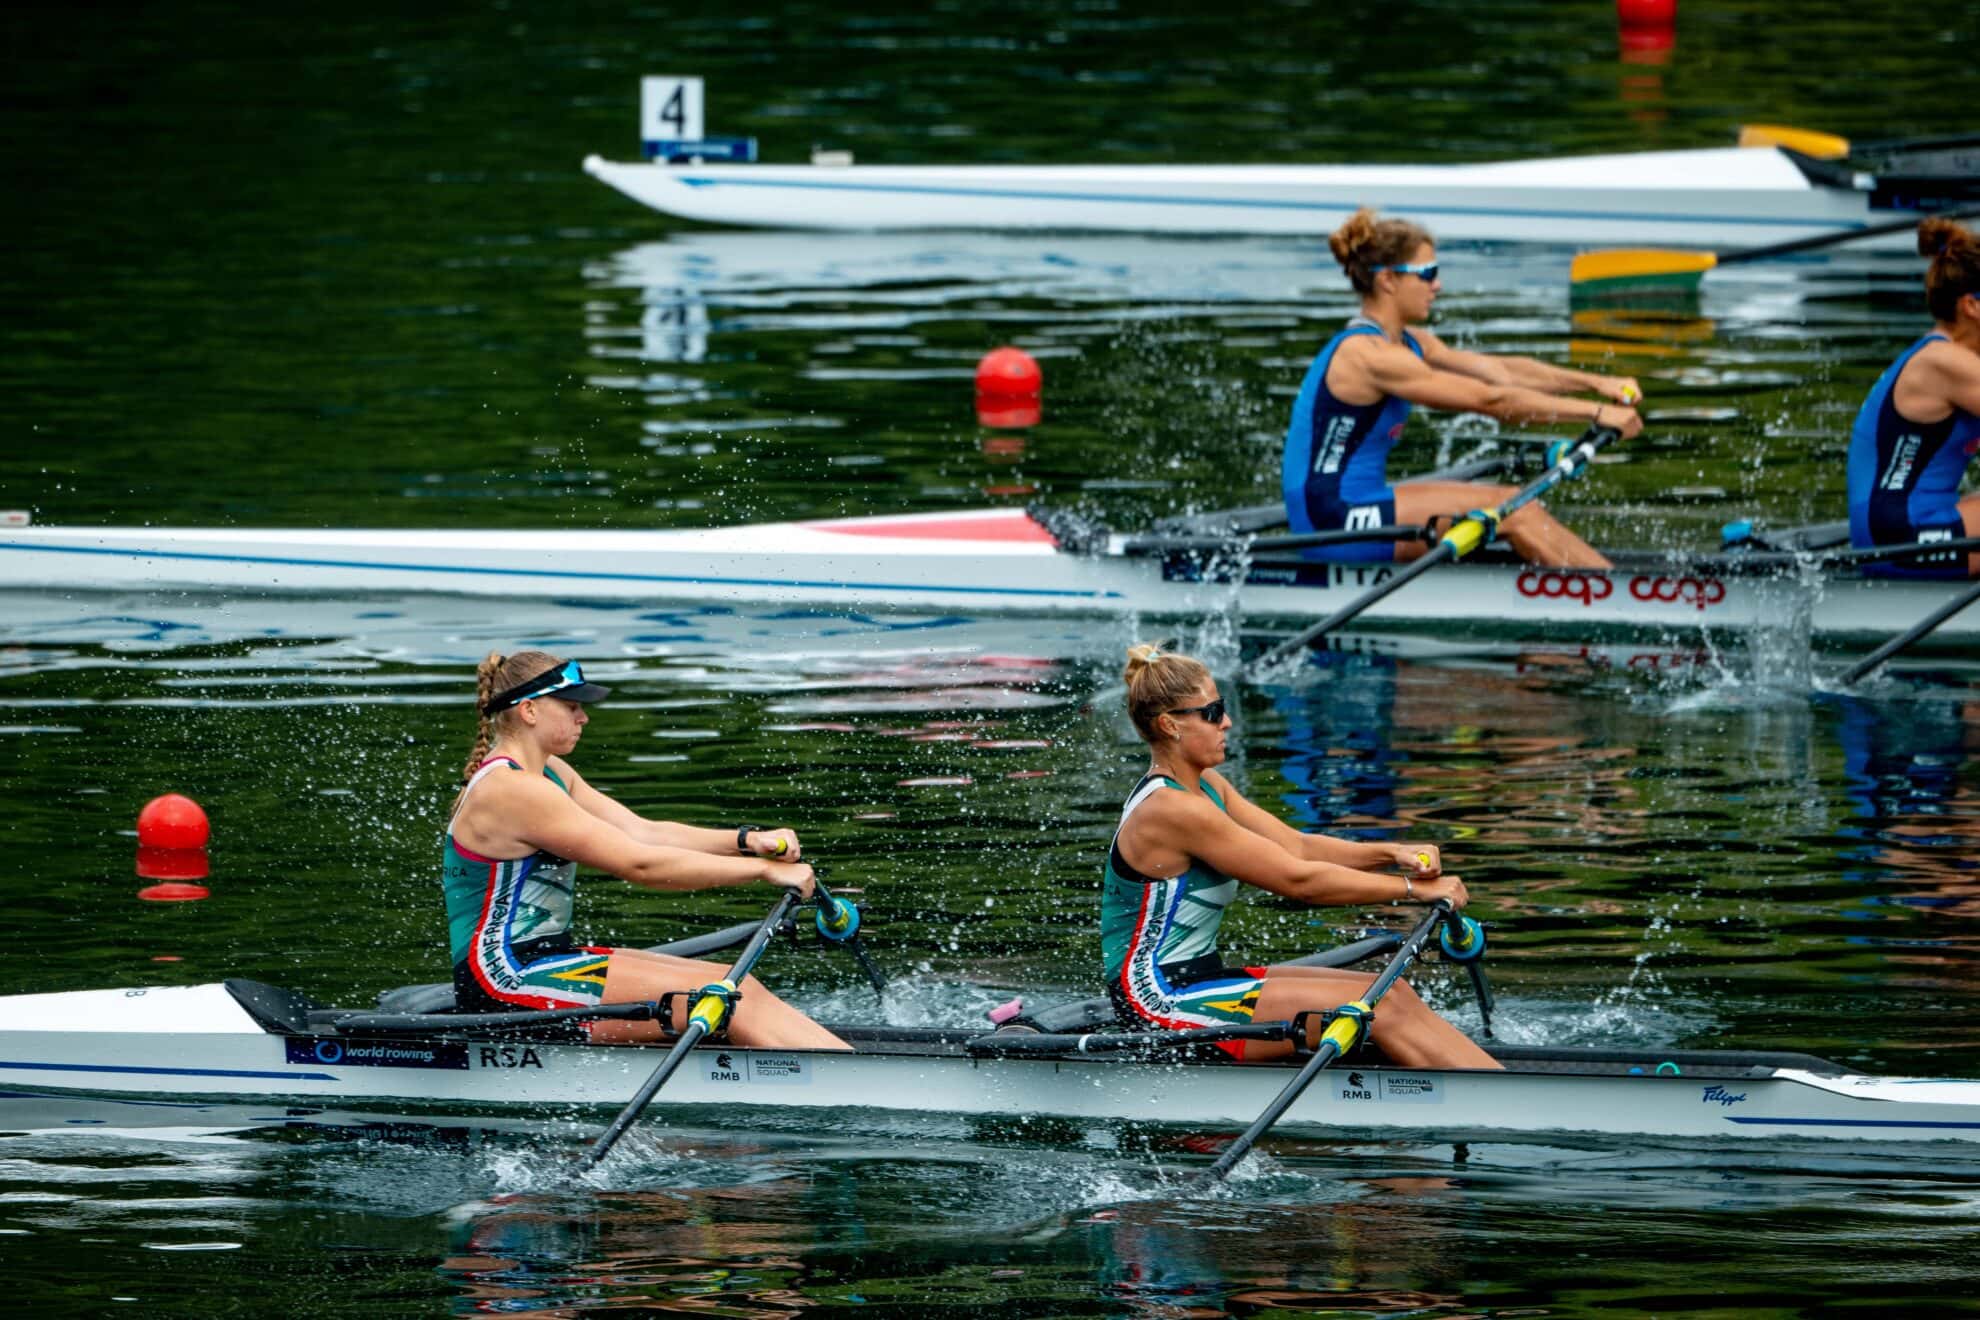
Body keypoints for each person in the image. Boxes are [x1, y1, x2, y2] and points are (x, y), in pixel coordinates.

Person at [1103, 643, 1499, 1070]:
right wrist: (1411, 890)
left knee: (1394, 993)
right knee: (1382, 1009)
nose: (1228, 722)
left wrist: (1392, 853)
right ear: (1170, 725)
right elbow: (1299, 882)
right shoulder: (1172, 810)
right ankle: (1502, 1106)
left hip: (1200, 978)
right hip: (1157, 1000)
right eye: (1214, 712)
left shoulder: (1208, 786)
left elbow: (1298, 847)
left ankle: (1495, 1084)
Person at [444, 649, 849, 1049]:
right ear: (529, 710)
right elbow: (640, 864)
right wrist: (763, 872)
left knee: (738, 985)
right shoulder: (513, 790)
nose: (583, 717)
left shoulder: (550, 773)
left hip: (546, 961)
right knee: (730, 1002)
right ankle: (848, 1087)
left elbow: (642, 833)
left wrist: (745, 842)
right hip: (505, 981)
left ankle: (845, 1067)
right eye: (571, 706)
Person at [1284, 207, 1645, 570]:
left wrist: (1598, 384)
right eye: (1427, 274)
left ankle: (1603, 585)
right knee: (1516, 510)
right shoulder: (1368, 355)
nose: (1437, 285)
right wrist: (1596, 413)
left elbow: (1499, 372)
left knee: (1515, 506)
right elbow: (1490, 400)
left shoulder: (1411, 343)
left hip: (1358, 505)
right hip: (1333, 520)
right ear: (1388, 280)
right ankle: (1620, 602)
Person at [1847, 216, 1980, 578]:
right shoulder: (1945, 363)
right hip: (1899, 536)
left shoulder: (1947, 354)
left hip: (1902, 527)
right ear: (1972, 305)